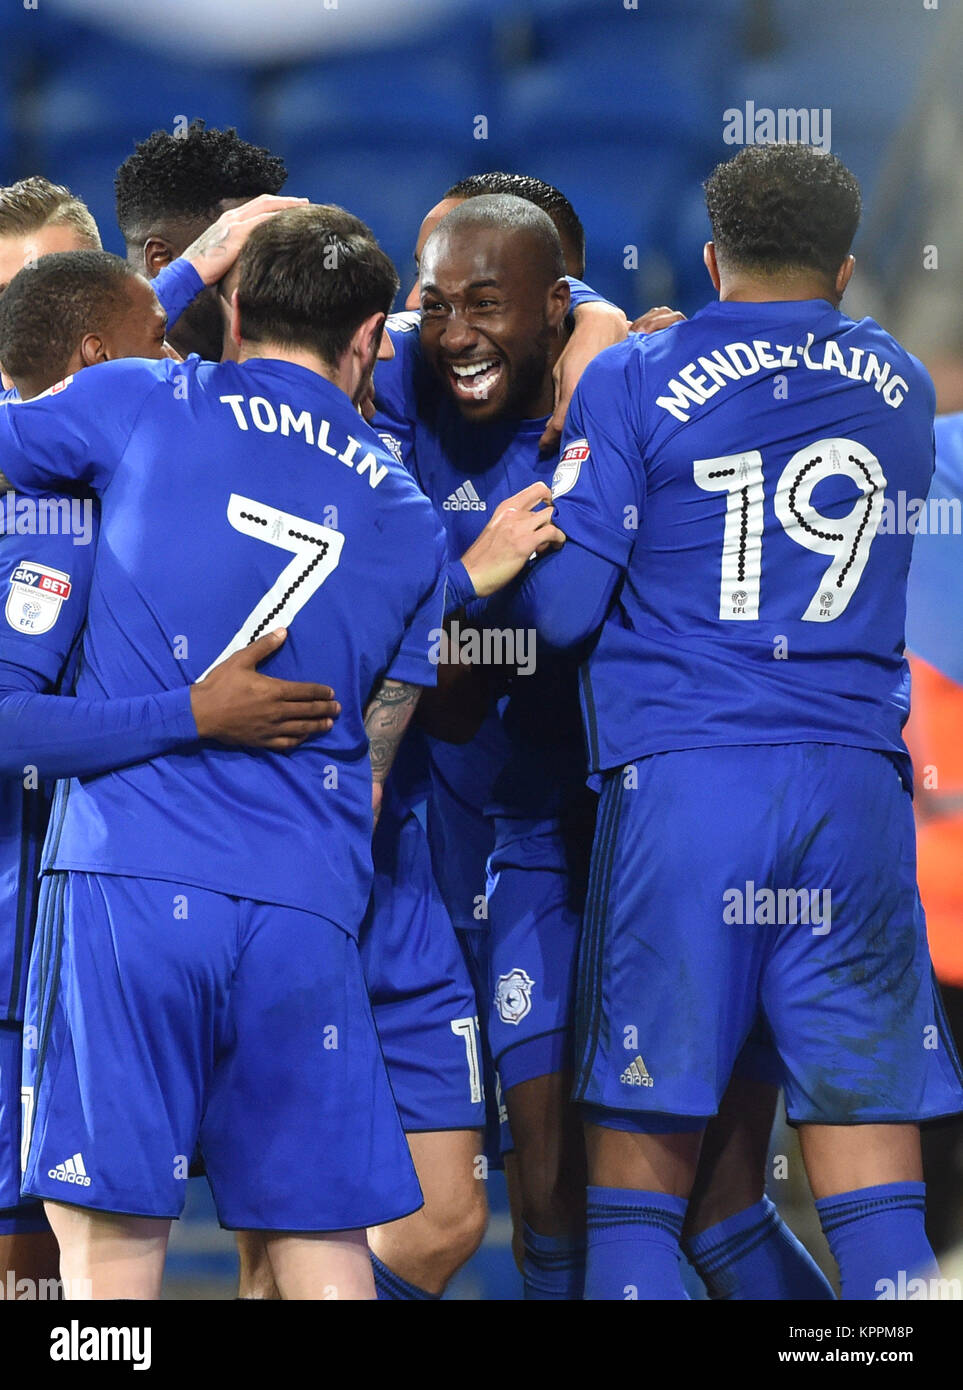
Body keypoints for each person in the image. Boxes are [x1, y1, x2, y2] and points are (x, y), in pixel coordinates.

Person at [493, 142, 963, 1299]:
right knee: (881, 1208)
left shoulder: (640, 375)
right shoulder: (904, 382)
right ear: (847, 270)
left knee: (641, 1201)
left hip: (688, 797)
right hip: (855, 800)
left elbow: (558, 615)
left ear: (711, 259)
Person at [0, 205, 446, 1300]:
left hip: (131, 887)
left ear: (233, 308)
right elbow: (380, 718)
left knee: (108, 1265)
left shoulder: (145, 396)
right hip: (307, 909)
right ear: (370, 336)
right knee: (325, 1259)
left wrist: (172, 286)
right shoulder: (409, 512)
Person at [115, 121, 289, 361]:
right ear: (161, 260)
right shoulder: (94, 370)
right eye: (239, 254)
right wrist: (184, 276)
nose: (264, 277)